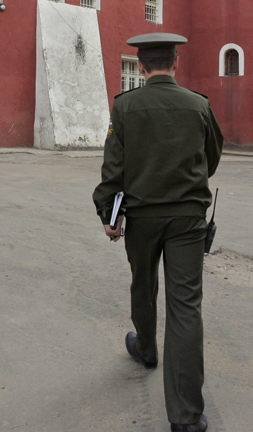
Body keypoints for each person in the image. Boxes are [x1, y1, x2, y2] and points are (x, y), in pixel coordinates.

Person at [93, 33, 223, 432]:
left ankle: (146, 350)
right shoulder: (199, 105)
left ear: (141, 68)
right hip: (187, 219)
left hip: (143, 217)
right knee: (185, 307)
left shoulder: (125, 107)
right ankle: (185, 418)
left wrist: (108, 212)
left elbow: (113, 169)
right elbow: (212, 158)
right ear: (175, 64)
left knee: (143, 282)